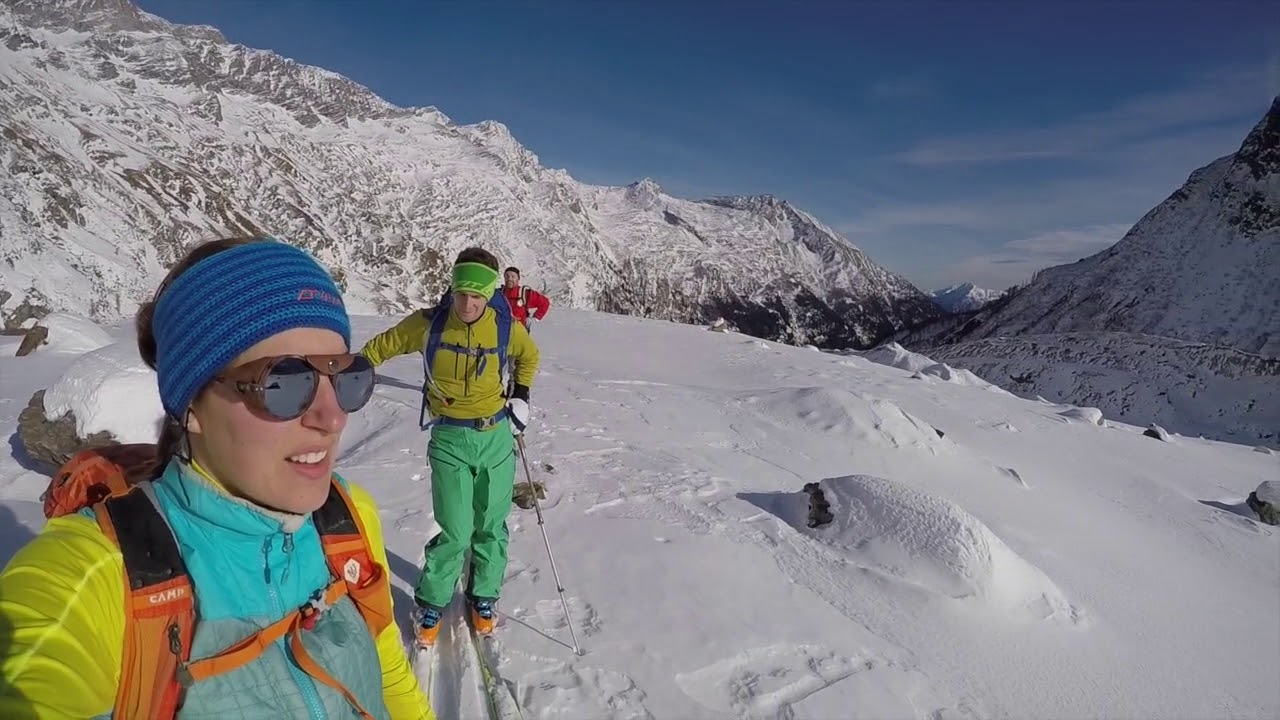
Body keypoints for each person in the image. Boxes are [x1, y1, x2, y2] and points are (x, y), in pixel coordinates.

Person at [0, 237, 433, 720]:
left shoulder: (347, 519)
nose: (332, 418)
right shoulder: (94, 578)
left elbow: (386, 670)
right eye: (283, 382)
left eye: (344, 375)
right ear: (192, 405)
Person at [358, 248, 539, 646]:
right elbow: (383, 346)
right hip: (450, 440)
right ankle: (432, 600)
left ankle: (484, 596)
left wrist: (521, 394)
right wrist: (354, 368)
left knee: (491, 525)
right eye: (461, 294)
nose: (468, 304)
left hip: (496, 437)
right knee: (456, 530)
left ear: (488, 294)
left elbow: (529, 357)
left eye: (476, 296)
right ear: (452, 289)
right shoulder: (430, 324)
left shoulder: (505, 328)